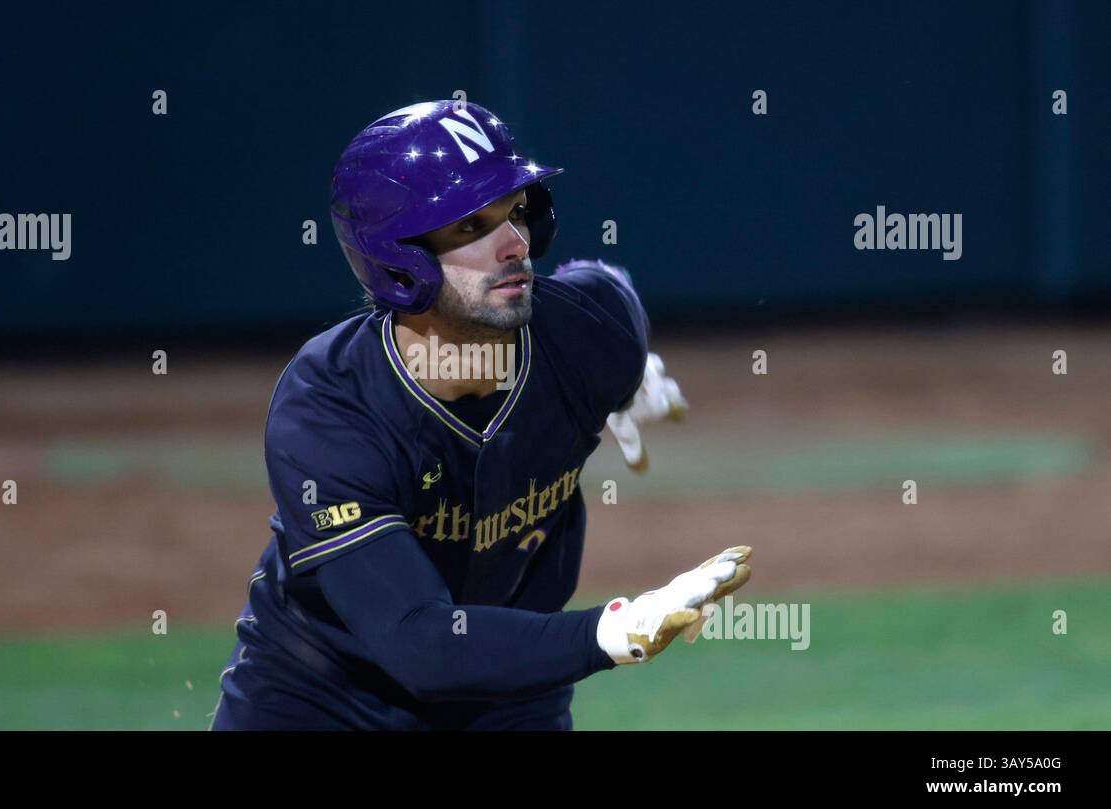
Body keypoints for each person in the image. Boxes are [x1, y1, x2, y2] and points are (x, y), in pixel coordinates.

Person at [211, 100, 753, 730]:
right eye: (470, 226)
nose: (514, 244)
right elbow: (417, 639)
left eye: (516, 213)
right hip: (321, 690)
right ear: (397, 259)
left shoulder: (589, 334)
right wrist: (614, 632)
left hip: (509, 688)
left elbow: (607, 291)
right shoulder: (330, 405)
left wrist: (626, 380)